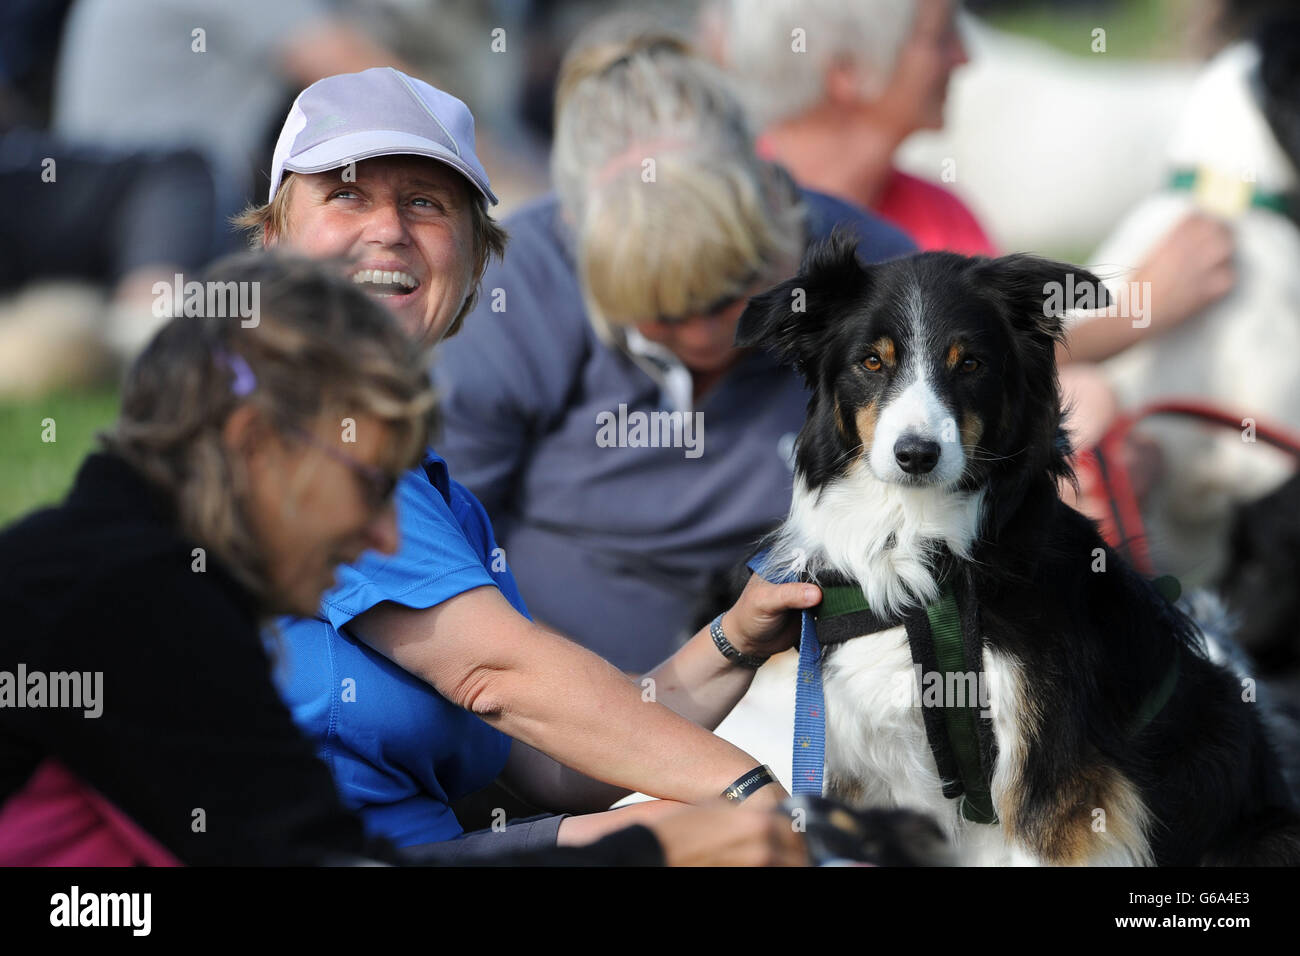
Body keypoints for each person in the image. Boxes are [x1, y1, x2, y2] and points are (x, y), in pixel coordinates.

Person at [0, 251, 811, 867]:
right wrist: (653, 854)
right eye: (370, 484)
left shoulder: (113, 570)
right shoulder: (134, 600)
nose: (385, 540)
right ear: (258, 449)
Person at [235, 66, 825, 859]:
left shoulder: (435, 490)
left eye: (424, 203)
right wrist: (756, 797)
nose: (388, 229)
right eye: (346, 195)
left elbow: (551, 764)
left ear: (476, 262)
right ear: (274, 244)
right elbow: (500, 674)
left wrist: (733, 640)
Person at [431, 26, 915, 672]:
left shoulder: (871, 275)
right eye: (663, 315)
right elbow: (439, 555)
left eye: (732, 297)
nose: (705, 336)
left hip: (822, 689)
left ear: (776, 201)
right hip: (552, 702)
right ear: (579, 239)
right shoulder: (508, 303)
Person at [711, 0, 992, 256]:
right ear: (846, 69)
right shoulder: (721, 225)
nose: (963, 57)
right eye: (940, 37)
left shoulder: (944, 219)